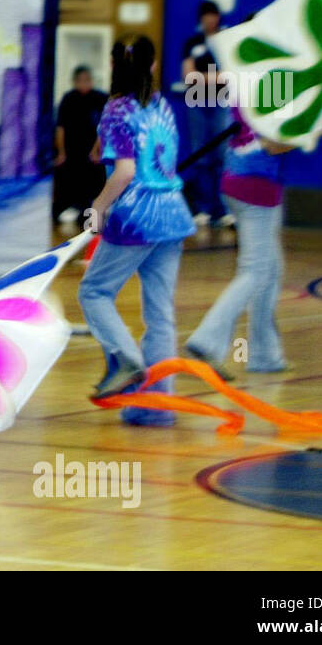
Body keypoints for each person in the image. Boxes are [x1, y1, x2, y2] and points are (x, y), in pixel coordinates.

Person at [78, 35, 196, 427]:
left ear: (112, 67)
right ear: (153, 64)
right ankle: (155, 406)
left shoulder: (116, 108)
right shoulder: (161, 104)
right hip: (172, 215)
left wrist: (98, 205)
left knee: (94, 292)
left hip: (135, 215)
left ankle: (126, 359)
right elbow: (105, 152)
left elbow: (125, 170)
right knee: (160, 315)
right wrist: (101, 148)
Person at [185, 106, 295, 378]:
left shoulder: (247, 80)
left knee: (270, 271)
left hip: (239, 180)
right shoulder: (274, 85)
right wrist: (312, 131)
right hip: (256, 186)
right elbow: (272, 144)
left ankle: (265, 355)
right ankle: (207, 340)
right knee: (255, 271)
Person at [180, 0, 234, 229]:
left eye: (213, 15)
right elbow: (188, 76)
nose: (210, 20)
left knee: (222, 155)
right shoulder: (193, 43)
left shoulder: (227, 40)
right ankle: (202, 208)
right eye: (206, 15)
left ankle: (224, 210)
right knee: (200, 155)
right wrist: (211, 77)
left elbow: (231, 74)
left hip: (222, 101)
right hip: (197, 102)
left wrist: (204, 77)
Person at [52, 65, 108, 230]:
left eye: (87, 80)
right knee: (69, 184)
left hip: (92, 150)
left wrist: (97, 148)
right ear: (75, 82)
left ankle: (91, 218)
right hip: (72, 150)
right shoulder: (69, 99)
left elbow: (104, 127)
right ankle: (62, 212)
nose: (84, 84)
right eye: (80, 81)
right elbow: (60, 127)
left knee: (94, 186)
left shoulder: (100, 98)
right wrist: (61, 152)